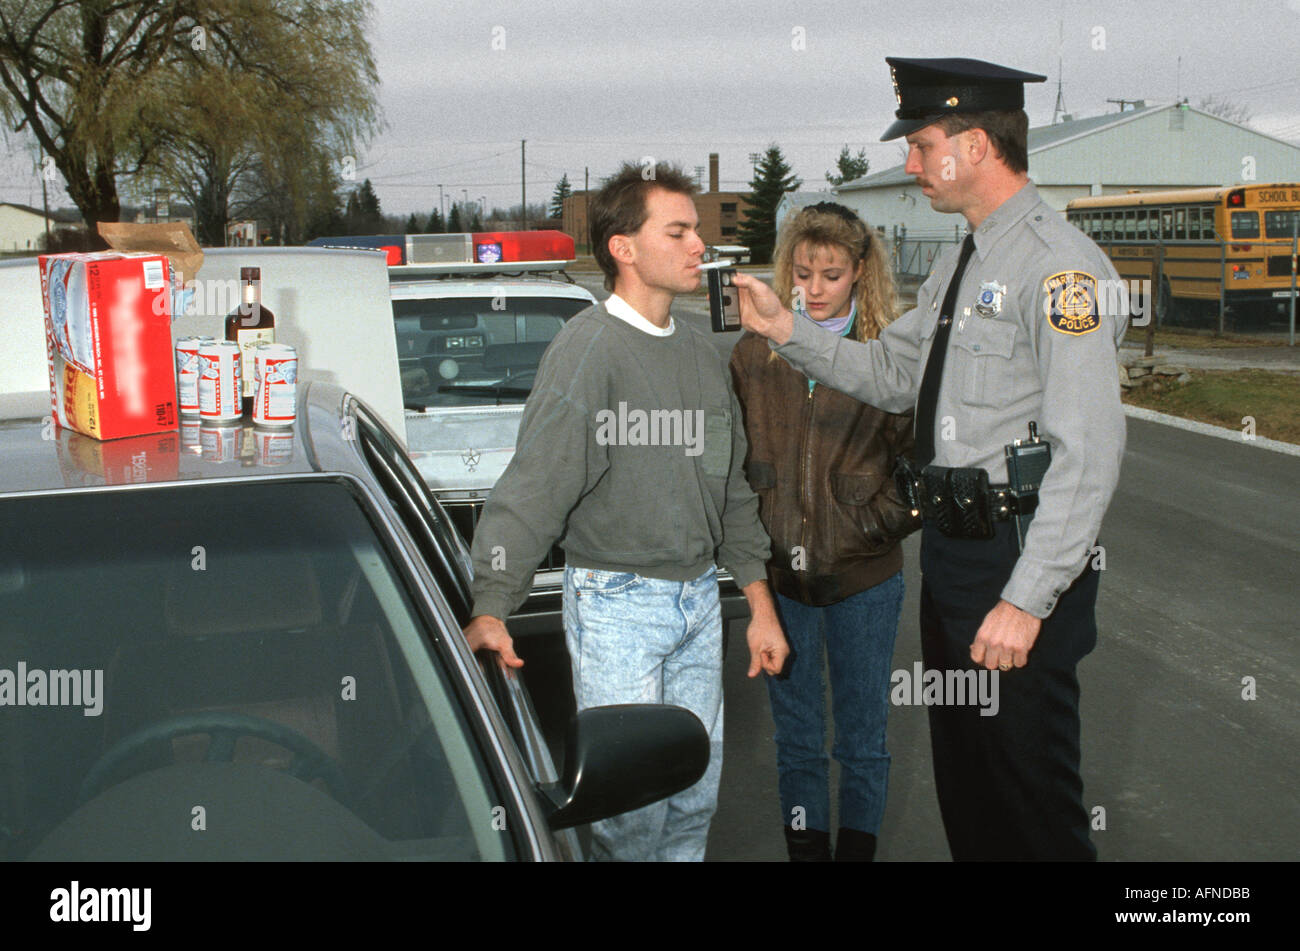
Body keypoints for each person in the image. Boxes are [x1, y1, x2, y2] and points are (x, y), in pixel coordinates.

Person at [733, 57, 1128, 861]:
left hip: (1014, 562)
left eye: (922, 145)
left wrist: (1027, 600)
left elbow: (1087, 452)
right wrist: (785, 329)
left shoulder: (1060, 268)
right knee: (971, 797)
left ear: (976, 145)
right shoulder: (961, 262)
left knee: (1030, 802)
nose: (911, 164)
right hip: (955, 558)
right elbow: (889, 372)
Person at [462, 161, 789, 862]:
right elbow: (533, 488)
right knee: (632, 814)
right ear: (624, 248)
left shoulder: (702, 354)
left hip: (699, 601)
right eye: (678, 231)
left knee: (693, 798)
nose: (699, 245)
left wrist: (759, 604)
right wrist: (492, 603)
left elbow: (730, 488)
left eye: (697, 230)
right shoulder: (588, 350)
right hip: (618, 605)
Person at [729, 202, 920, 862]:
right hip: (782, 585)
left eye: (831, 275)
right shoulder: (754, 353)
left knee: (862, 742)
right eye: (802, 273)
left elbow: (921, 466)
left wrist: (872, 524)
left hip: (865, 582)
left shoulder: (888, 355)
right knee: (798, 741)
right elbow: (734, 464)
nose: (813, 289)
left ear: (861, 271)